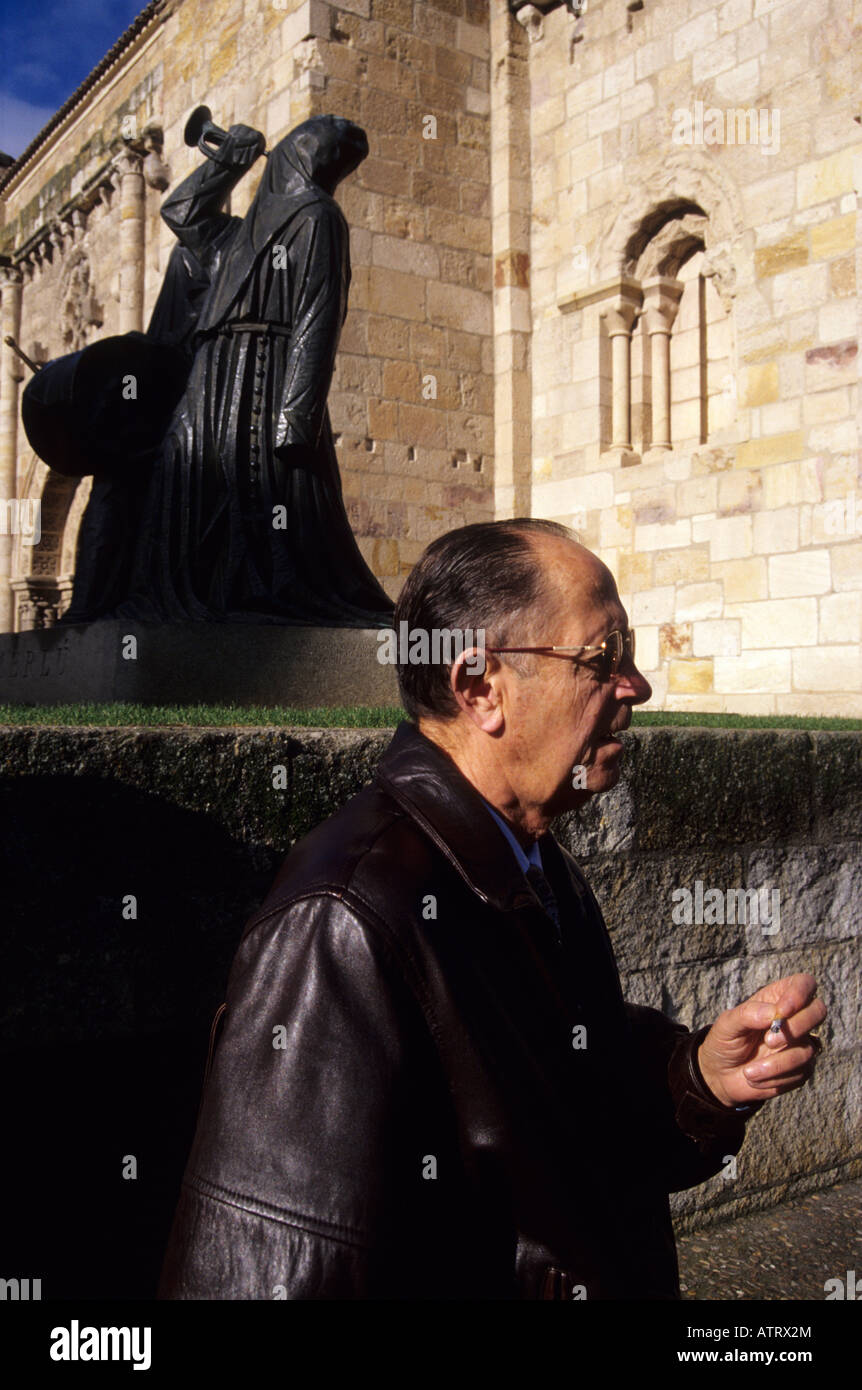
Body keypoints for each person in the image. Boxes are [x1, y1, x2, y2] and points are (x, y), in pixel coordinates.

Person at [158, 518, 826, 1300]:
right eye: (603, 657)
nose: (636, 684)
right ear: (480, 689)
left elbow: (565, 1129)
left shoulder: (531, 862)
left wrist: (699, 1077)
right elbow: (269, 1270)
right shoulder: (344, 919)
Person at [116, 115, 394, 626]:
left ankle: (249, 599)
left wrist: (296, 416)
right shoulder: (238, 235)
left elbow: (319, 313)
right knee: (183, 469)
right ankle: (194, 596)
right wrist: (229, 160)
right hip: (213, 374)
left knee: (258, 502)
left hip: (265, 379)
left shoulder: (318, 216)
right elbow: (180, 211)